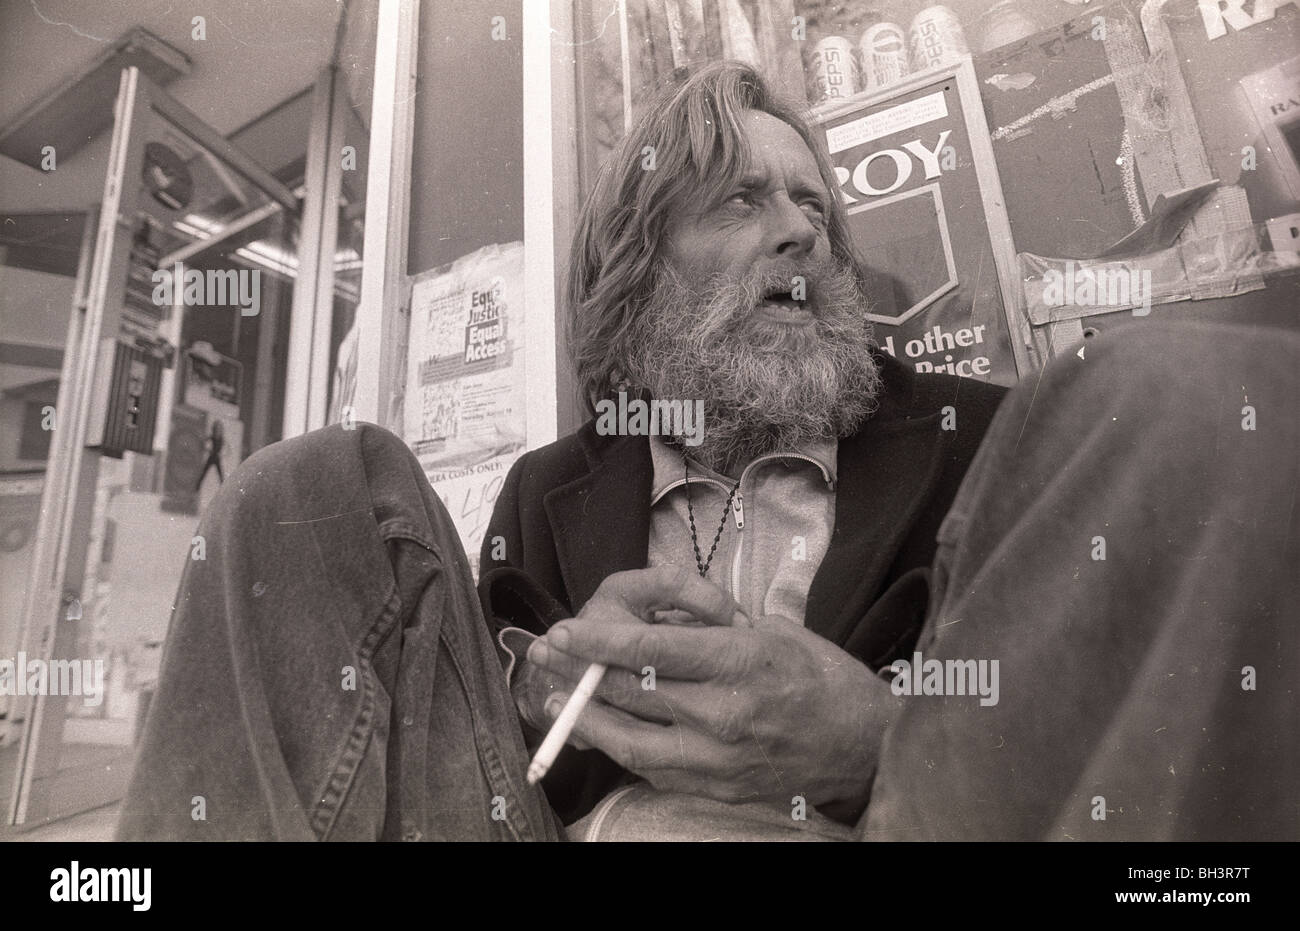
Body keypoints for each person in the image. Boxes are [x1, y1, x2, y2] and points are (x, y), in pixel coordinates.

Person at [117, 62, 1297, 842]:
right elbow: (478, 731)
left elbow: (1112, 735)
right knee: (304, 489)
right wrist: (539, 686)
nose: (799, 228)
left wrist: (880, 743)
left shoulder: (978, 440)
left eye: (811, 207)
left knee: (1175, 386)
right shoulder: (549, 490)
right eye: (737, 203)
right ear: (640, 277)